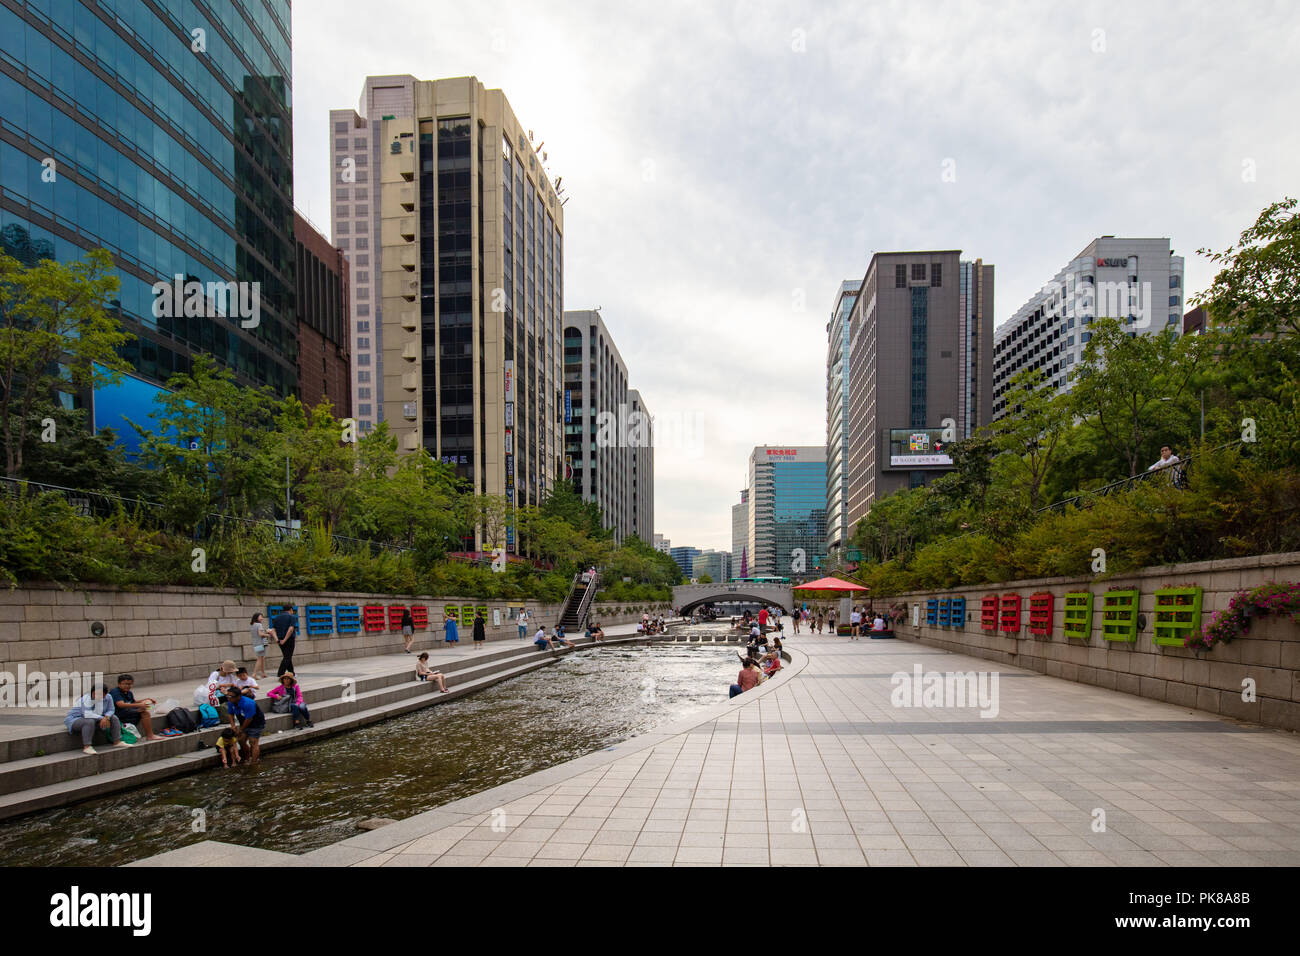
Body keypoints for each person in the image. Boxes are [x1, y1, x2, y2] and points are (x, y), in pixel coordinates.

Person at [65, 683, 129, 755]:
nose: (97, 696)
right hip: (76, 719)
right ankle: (87, 747)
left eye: (101, 694)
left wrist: (107, 717)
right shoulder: (86, 698)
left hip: (97, 718)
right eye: (95, 694)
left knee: (114, 717)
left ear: (105, 694)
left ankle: (117, 741)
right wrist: (103, 718)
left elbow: (111, 710)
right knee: (89, 721)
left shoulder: (108, 697)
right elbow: (87, 714)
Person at [108, 674, 161, 741]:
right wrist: (139, 706)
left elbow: (133, 702)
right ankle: (150, 735)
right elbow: (121, 705)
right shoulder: (115, 692)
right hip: (118, 714)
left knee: (144, 710)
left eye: (129, 684)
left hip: (127, 711)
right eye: (125, 684)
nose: (127, 686)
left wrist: (147, 700)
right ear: (119, 684)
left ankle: (150, 735)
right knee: (145, 713)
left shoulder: (128, 692)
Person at [224, 685, 265, 763]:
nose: (228, 698)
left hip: (256, 722)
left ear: (238, 697)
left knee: (253, 742)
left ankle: (254, 762)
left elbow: (249, 719)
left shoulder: (248, 703)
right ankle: (247, 758)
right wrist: (233, 726)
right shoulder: (231, 702)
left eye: (231, 696)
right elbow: (230, 714)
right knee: (241, 740)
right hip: (243, 721)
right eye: (227, 695)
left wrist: (241, 730)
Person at [272, 608, 297, 678]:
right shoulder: (292, 617)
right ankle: (280, 673)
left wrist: (277, 639)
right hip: (289, 639)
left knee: (287, 656)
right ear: (291, 610)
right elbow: (291, 629)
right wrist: (285, 639)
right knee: (287, 657)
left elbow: (273, 630)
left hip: (280, 639)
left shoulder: (277, 618)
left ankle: (292, 673)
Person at [249, 613, 272, 680]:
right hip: (261, 643)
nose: (262, 618)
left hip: (255, 643)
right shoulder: (259, 625)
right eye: (260, 617)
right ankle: (254, 674)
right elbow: (260, 634)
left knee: (261, 658)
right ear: (256, 617)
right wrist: (268, 634)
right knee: (259, 659)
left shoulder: (252, 625)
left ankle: (263, 673)